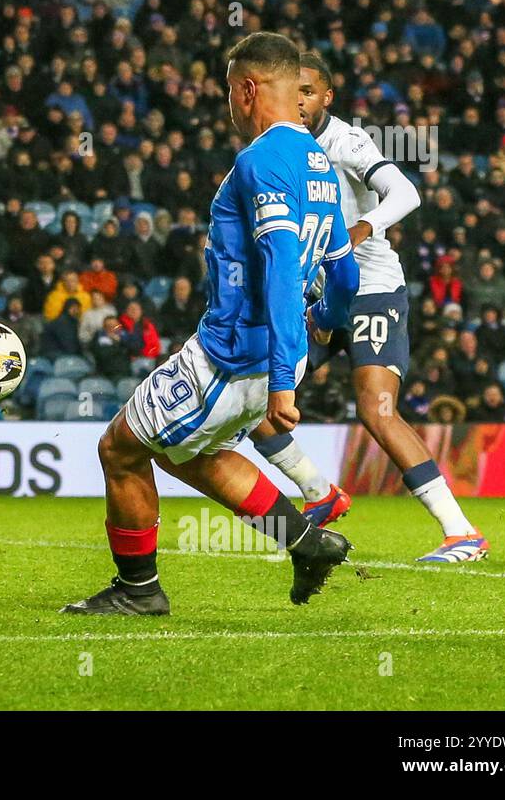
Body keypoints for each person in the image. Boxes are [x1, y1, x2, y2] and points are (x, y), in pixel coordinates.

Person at [63, 32, 359, 617]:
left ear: (248, 89)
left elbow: (278, 268)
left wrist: (281, 379)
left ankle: (138, 590)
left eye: (230, 91)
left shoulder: (261, 161)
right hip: (271, 347)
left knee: (119, 447)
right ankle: (307, 544)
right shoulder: (318, 164)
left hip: (234, 353)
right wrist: (324, 321)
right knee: (191, 452)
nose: (228, 104)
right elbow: (344, 270)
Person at [248, 53, 489, 563]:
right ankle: (320, 493)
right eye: (294, 92)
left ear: (327, 96)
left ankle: (461, 532)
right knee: (253, 403)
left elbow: (405, 191)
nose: (300, 101)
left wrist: (361, 229)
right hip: (317, 295)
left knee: (377, 411)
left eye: (309, 92)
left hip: (372, 288)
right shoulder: (278, 148)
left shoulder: (348, 141)